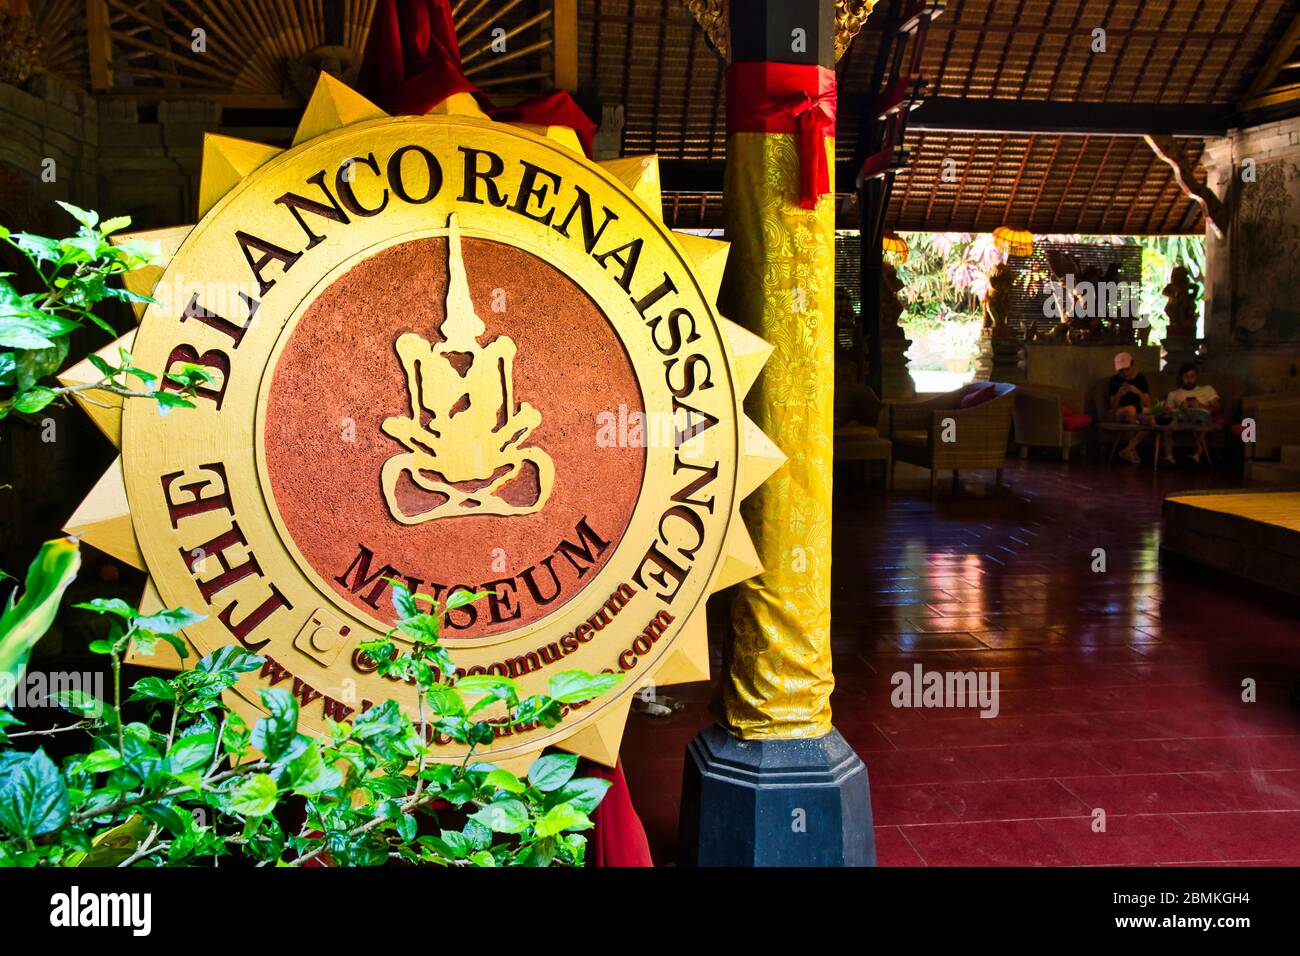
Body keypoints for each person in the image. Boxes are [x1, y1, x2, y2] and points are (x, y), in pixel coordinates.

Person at [1162, 362, 1221, 464]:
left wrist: (1200, 405)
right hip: (1182, 416)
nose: (1189, 379)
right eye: (1186, 376)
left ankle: (1197, 454)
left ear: (1196, 377)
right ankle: (1169, 457)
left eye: (1192, 376)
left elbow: (1217, 409)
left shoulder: (1207, 389)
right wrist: (1180, 408)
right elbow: (1166, 412)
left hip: (1202, 416)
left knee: (1199, 420)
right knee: (1170, 424)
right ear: (1181, 377)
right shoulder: (1174, 393)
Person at [1107, 351, 1151, 464]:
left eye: (1127, 369)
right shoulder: (1114, 381)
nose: (1125, 373)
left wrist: (1137, 392)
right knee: (1130, 409)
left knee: (1151, 421)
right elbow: (1112, 407)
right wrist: (1118, 395)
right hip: (1118, 413)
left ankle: (1128, 449)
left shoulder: (1141, 379)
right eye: (1121, 371)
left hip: (1136, 414)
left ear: (1132, 365)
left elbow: (1147, 404)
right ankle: (1132, 451)